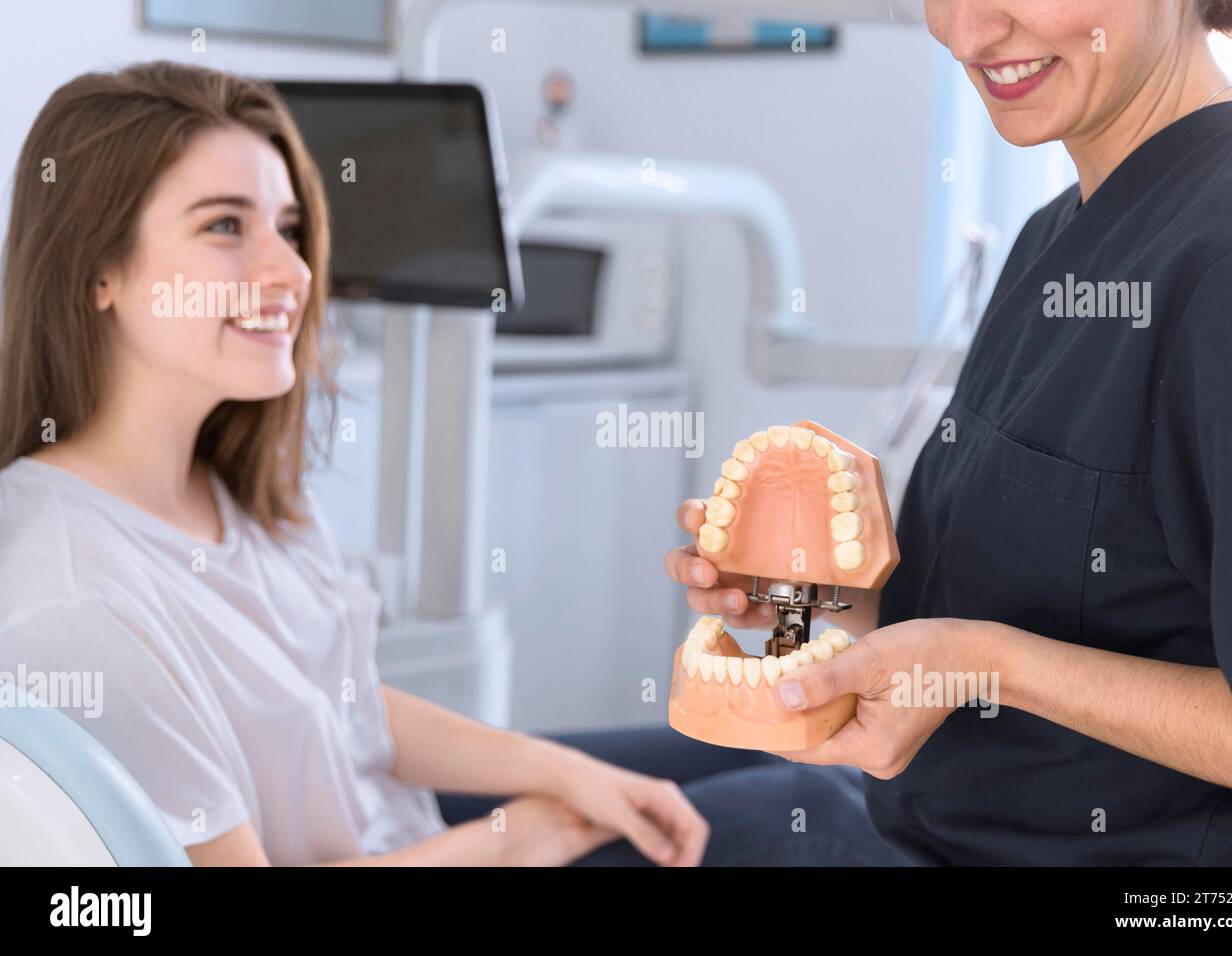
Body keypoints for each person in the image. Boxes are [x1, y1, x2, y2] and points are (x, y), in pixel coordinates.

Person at [0, 61, 872, 867]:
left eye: (291, 227)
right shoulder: (75, 591)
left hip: (402, 825)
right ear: (97, 271)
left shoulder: (236, 489)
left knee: (787, 752)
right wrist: (511, 840)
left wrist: (559, 773)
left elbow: (347, 706)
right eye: (225, 225)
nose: (290, 271)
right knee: (818, 817)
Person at [666, 0, 1232, 865]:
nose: (967, 33)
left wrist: (986, 664)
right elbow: (975, 611)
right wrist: (802, 594)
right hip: (913, 824)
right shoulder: (1052, 238)